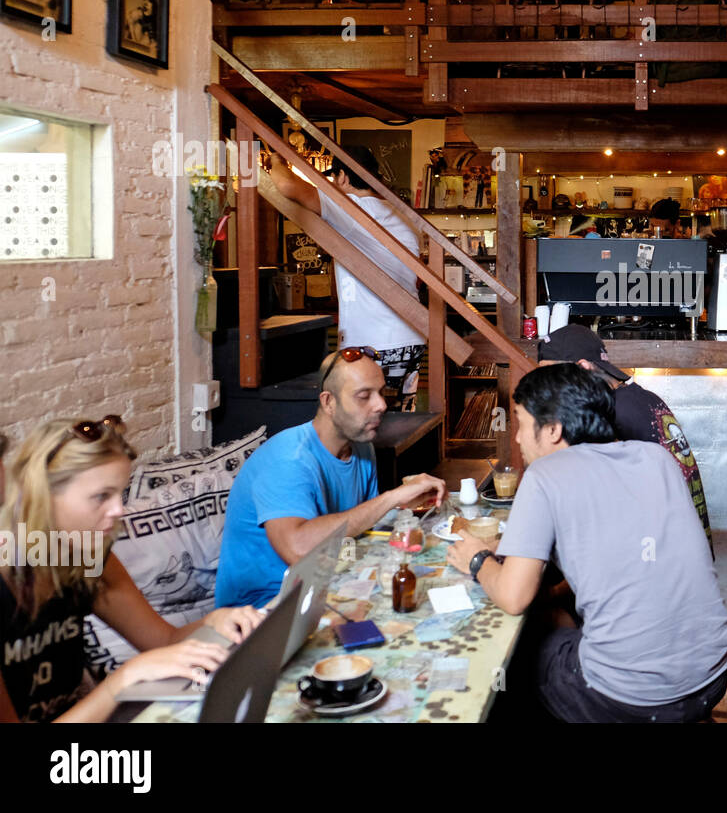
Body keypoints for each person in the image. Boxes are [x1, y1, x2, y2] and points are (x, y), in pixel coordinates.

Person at [446, 364, 727, 723]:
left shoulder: (544, 475)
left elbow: (513, 596)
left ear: (552, 430)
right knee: (560, 613)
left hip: (628, 698)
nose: (516, 438)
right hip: (712, 676)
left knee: (515, 652)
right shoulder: (656, 458)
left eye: (520, 422)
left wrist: (477, 559)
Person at [1, 418, 264, 722]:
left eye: (119, 494)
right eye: (101, 496)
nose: (119, 510)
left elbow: (163, 640)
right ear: (43, 495)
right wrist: (124, 679)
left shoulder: (89, 557)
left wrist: (216, 621)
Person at [215, 348, 444, 608]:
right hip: (263, 609)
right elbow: (298, 549)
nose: (381, 405)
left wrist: (403, 505)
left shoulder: (361, 447)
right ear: (328, 402)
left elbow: (362, 528)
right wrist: (392, 497)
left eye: (380, 392)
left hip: (328, 587)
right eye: (363, 396)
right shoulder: (289, 460)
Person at [267, 146, 427, 411]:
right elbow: (418, 277)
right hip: (411, 338)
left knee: (361, 425)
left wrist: (276, 157)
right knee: (399, 426)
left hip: (376, 343)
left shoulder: (351, 209)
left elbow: (286, 185)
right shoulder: (399, 214)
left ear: (342, 177)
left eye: (333, 178)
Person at [538, 325, 712, 552]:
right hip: (691, 547)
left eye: (550, 377)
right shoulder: (639, 398)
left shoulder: (611, 416)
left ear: (583, 368)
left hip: (664, 556)